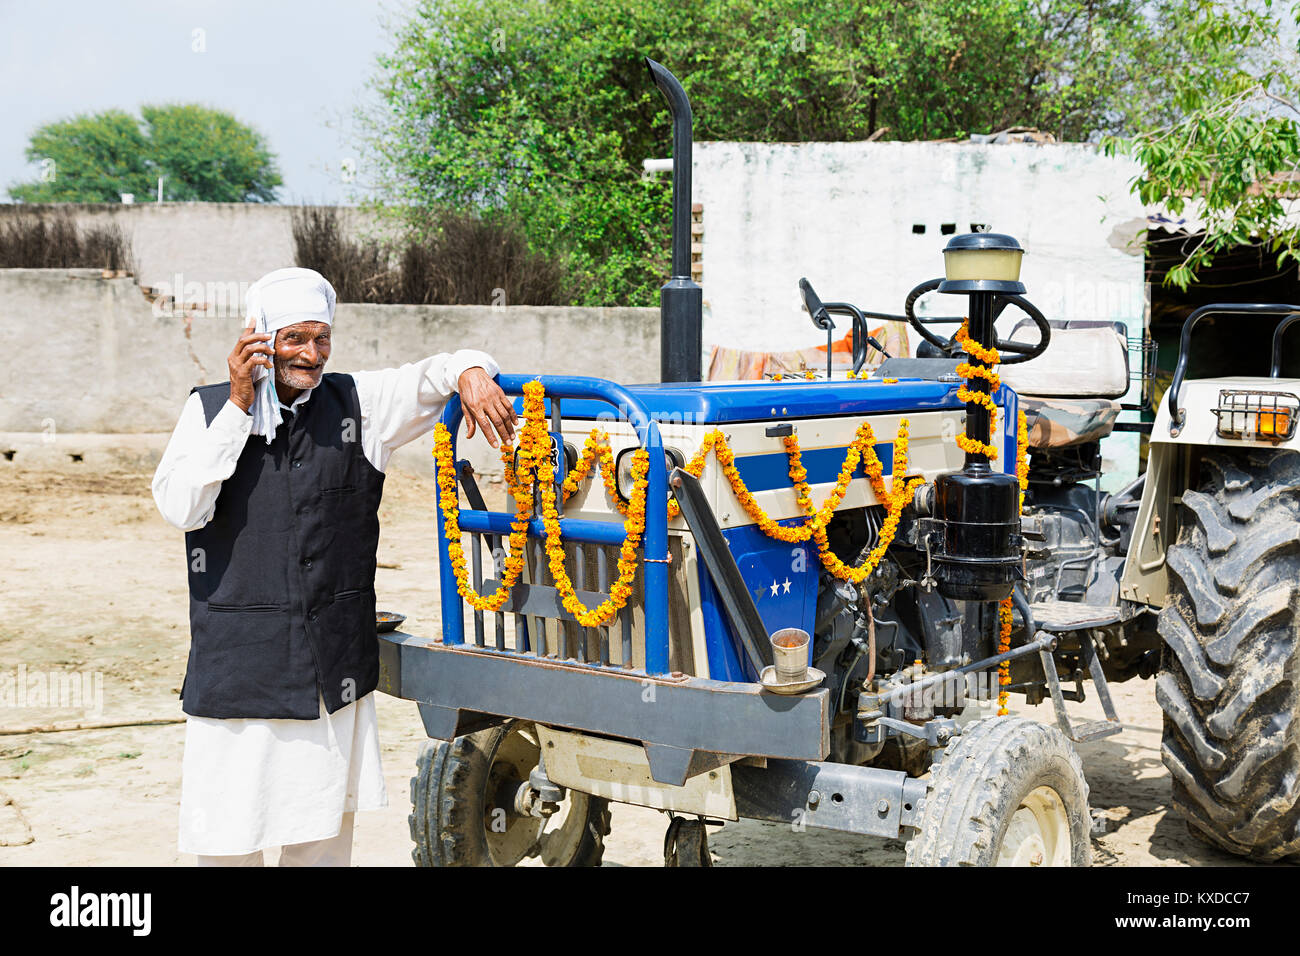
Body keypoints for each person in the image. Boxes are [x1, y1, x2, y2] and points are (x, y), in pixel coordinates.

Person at [152, 267, 514, 866]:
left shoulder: (358, 405)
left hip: (329, 673)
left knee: (320, 840)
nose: (312, 354)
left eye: (322, 338)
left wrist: (471, 371)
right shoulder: (210, 409)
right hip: (240, 671)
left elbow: (434, 374)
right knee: (226, 840)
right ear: (259, 339)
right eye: (294, 338)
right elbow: (181, 506)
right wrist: (240, 405)